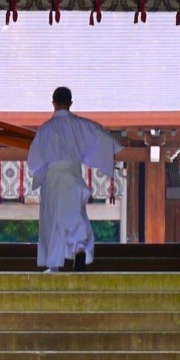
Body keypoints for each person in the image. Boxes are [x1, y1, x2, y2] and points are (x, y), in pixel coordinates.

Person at [26, 85, 122, 272]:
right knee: (74, 215)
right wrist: (111, 153)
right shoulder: (79, 124)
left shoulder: (45, 129)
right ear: (70, 103)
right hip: (72, 175)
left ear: (53, 103)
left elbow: (34, 160)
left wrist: (43, 167)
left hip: (53, 178)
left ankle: (54, 265)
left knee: (53, 218)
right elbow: (100, 136)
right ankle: (79, 248)